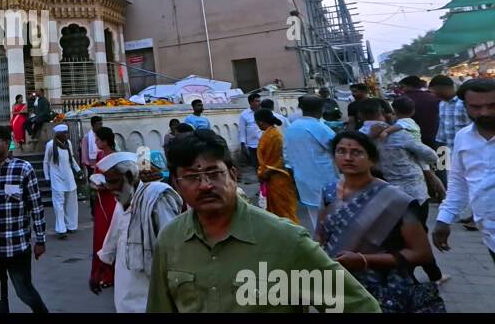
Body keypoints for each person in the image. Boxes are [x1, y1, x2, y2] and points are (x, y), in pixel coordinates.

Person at [146, 130, 379, 313]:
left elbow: (359, 307)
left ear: (233, 176)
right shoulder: (171, 240)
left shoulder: (285, 240)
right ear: (176, 185)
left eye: (214, 173)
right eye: (192, 177)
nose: (205, 184)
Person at [320, 132, 445, 313]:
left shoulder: (396, 200)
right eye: (341, 151)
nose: (347, 157)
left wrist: (364, 260)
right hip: (340, 286)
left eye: (356, 152)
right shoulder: (329, 191)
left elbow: (422, 254)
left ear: (372, 160)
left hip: (385, 290)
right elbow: (321, 235)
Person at [358, 98, 443, 283]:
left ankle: (425, 273)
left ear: (360, 115)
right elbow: (431, 155)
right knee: (418, 233)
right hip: (414, 192)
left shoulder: (359, 137)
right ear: (385, 112)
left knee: (397, 234)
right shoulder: (400, 133)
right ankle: (418, 274)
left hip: (384, 194)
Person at [95, 150, 182, 312]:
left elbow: (172, 244)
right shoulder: (122, 200)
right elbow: (114, 234)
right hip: (125, 291)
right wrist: (101, 264)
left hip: (150, 292)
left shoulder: (155, 198)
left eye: (114, 182)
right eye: (108, 183)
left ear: (128, 176)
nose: (111, 188)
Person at [0, 125, 49, 313]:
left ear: (7, 143)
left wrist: (40, 240)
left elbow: (36, 206)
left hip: (16, 246)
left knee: (24, 291)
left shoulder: (24, 169)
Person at [433, 78, 495, 264]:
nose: (484, 112)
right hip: (490, 235)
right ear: (465, 106)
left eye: (492, 105)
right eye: (475, 107)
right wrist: (444, 219)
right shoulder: (464, 137)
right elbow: (458, 182)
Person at [373, 97, 445, 200]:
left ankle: (442, 194)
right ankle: (440, 194)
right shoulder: (411, 121)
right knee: (430, 175)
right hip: (417, 151)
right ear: (413, 111)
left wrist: (386, 131)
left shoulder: (403, 123)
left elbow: (398, 127)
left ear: (395, 110)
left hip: (417, 154)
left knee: (430, 175)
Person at [283, 96, 338, 231]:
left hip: (303, 180)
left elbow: (287, 158)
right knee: (333, 220)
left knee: (315, 220)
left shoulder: (291, 128)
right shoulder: (320, 128)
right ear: (322, 109)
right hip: (325, 180)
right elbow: (338, 149)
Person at [430, 74, 475, 226]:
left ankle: (474, 215)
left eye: (436, 92)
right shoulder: (442, 104)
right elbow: (442, 130)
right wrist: (441, 155)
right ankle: (461, 213)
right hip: (448, 150)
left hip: (468, 151)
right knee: (453, 181)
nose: (434, 95)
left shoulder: (465, 103)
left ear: (446, 88)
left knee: (472, 181)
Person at [254, 109, 299, 224]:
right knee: (272, 211)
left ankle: (293, 234)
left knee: (284, 211)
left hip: (277, 177)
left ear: (260, 122)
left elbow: (281, 158)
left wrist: (267, 172)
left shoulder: (275, 136)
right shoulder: (268, 134)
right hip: (268, 177)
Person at [89, 125, 118, 291]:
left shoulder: (116, 157)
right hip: (100, 202)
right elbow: (94, 176)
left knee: (111, 236)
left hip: (112, 201)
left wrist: (105, 186)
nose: (96, 142)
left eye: (98, 140)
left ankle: (111, 274)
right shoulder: (100, 155)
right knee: (100, 237)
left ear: (106, 141)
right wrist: (94, 185)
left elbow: (121, 180)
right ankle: (100, 272)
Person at [43, 124, 80, 240]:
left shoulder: (68, 144)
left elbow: (71, 158)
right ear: (58, 134)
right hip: (56, 178)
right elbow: (46, 162)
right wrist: (47, 177)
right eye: (64, 133)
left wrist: (78, 170)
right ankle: (61, 229)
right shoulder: (50, 145)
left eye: (67, 132)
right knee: (59, 205)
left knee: (71, 203)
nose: (66, 135)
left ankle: (71, 225)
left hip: (69, 177)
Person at [397, 76, 439, 148]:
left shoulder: (401, 100)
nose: (401, 89)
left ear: (407, 86)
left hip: (413, 137)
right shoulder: (432, 97)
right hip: (433, 135)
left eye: (402, 86)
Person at [238, 94, 262, 168]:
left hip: (263, 143)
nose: (259, 103)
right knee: (256, 166)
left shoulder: (263, 112)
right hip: (252, 145)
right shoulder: (244, 115)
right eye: (257, 101)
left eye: (259, 101)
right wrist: (243, 145)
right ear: (251, 102)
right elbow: (242, 131)